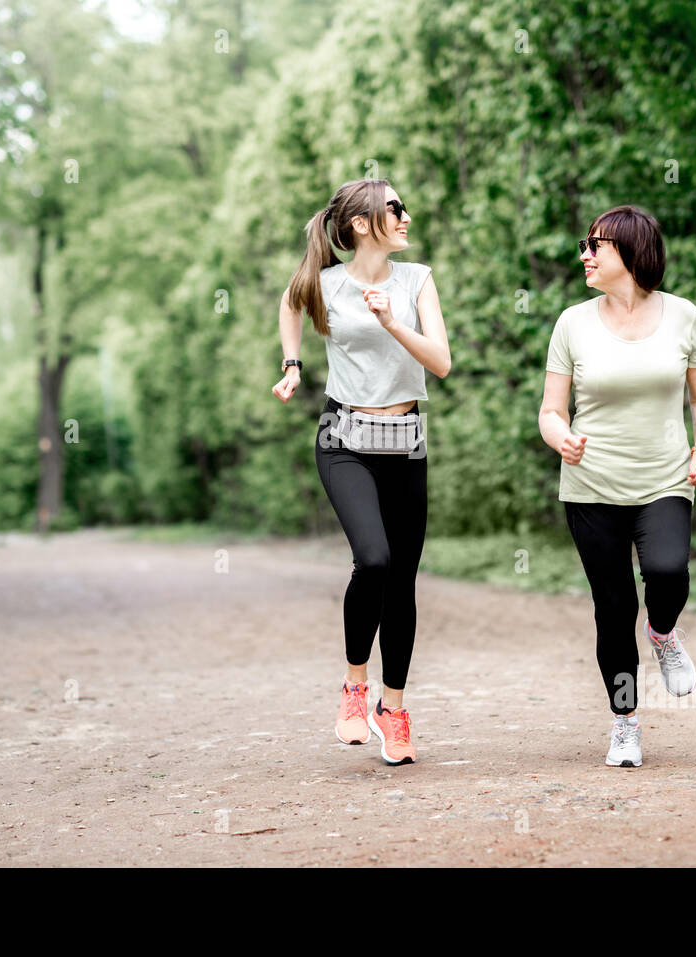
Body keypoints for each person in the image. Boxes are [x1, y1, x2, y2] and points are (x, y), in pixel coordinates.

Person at [271, 178, 451, 765]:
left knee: (402, 580)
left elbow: (442, 364)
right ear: (360, 224)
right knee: (372, 559)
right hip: (344, 437)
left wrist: (393, 321)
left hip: (405, 440)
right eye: (395, 207)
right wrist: (293, 364)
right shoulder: (324, 283)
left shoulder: (416, 279)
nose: (406, 215)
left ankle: (392, 709)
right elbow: (289, 302)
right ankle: (355, 687)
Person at [538, 204, 696, 768]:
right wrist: (561, 436)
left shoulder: (684, 316)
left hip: (665, 478)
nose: (585, 255)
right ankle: (625, 724)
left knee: (667, 572)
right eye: (584, 246)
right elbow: (549, 410)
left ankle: (663, 633)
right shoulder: (572, 322)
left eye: (596, 245)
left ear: (632, 252)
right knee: (612, 609)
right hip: (591, 487)